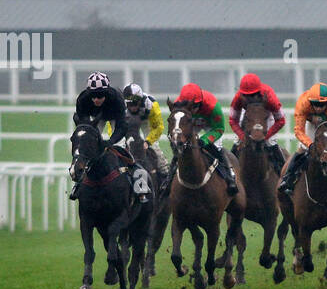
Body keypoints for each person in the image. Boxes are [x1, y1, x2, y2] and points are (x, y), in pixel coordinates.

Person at [70, 71, 150, 202]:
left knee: (124, 146)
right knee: (86, 146)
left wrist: (110, 141)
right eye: (93, 96)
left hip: (114, 118)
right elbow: (84, 127)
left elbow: (122, 127)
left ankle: (138, 184)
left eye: (100, 96)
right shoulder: (83, 100)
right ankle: (78, 183)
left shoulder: (117, 100)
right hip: (95, 119)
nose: (96, 99)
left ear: (106, 93)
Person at [279, 81, 327, 200]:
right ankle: (287, 179)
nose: (318, 108)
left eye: (322, 105)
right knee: (302, 150)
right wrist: (310, 144)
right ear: (310, 102)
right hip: (311, 125)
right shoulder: (303, 103)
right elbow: (299, 131)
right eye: (315, 104)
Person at [165, 83, 240, 198]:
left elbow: (219, 129)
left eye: (195, 105)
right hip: (189, 123)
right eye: (190, 106)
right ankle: (168, 180)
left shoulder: (213, 106)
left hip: (210, 124)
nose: (193, 109)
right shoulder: (178, 105)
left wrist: (204, 140)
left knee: (216, 148)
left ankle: (229, 177)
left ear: (201, 102)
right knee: (181, 148)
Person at [228, 72, 287, 175]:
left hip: (267, 116)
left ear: (259, 92)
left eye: (253, 95)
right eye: (246, 96)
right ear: (242, 94)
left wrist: (266, 136)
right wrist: (242, 136)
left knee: (271, 142)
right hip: (248, 115)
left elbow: (281, 120)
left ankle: (283, 176)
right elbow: (233, 120)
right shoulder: (238, 98)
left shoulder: (269, 97)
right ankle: (230, 173)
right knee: (237, 142)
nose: (249, 98)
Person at [122, 82, 168, 180]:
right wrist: (122, 142)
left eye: (135, 103)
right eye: (130, 104)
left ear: (141, 100)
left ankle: (164, 172)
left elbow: (159, 127)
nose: (133, 107)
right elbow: (113, 128)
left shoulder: (151, 104)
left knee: (155, 148)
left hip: (147, 121)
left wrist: (148, 142)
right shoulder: (120, 106)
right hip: (127, 122)